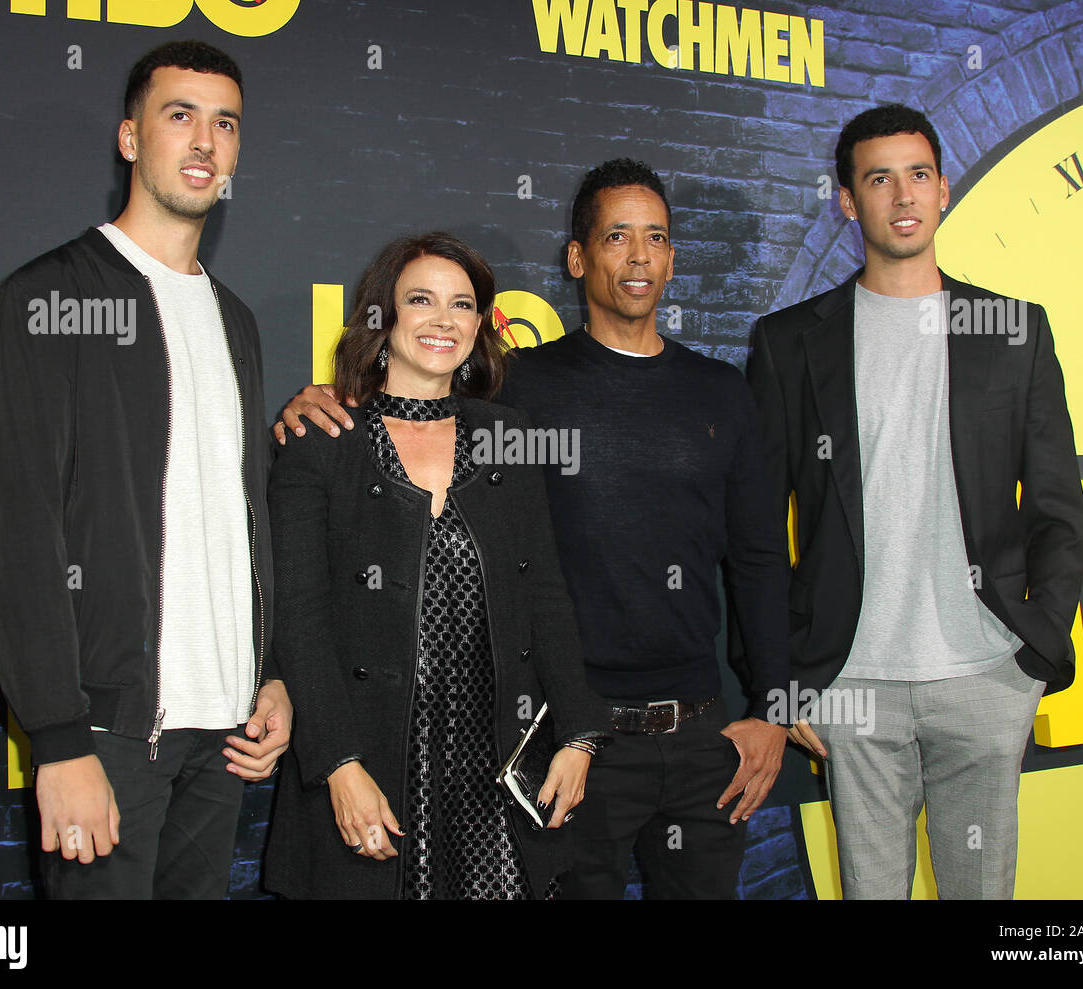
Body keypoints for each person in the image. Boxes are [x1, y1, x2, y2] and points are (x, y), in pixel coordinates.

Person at [276, 161, 800, 900]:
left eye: (657, 236)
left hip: (688, 737)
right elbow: (306, 600)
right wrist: (326, 397)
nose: (640, 255)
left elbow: (756, 560)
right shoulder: (521, 393)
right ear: (580, 258)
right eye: (618, 235)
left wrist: (770, 709)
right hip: (549, 738)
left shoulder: (719, 392)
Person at [0, 40, 291, 899]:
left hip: (223, 737)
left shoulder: (238, 321)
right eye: (179, 115)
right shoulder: (47, 300)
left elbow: (240, 517)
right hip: (107, 736)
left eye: (224, 123)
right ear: (129, 138)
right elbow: (15, 532)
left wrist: (269, 672)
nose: (204, 141)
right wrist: (59, 739)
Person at [746, 104, 1083, 898]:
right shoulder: (790, 342)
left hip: (985, 676)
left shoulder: (1012, 329)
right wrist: (780, 682)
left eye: (919, 175)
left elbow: (1059, 511)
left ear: (941, 190)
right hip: (850, 684)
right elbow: (757, 532)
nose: (902, 195)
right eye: (879, 178)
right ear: (846, 200)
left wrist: (1034, 654)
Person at [262, 232, 610, 900]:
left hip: (493, 769)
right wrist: (338, 763)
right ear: (382, 315)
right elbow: (300, 620)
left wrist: (579, 734)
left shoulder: (508, 436)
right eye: (420, 299)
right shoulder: (321, 441)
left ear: (481, 324)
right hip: (372, 764)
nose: (443, 319)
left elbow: (546, 597)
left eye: (463, 304)